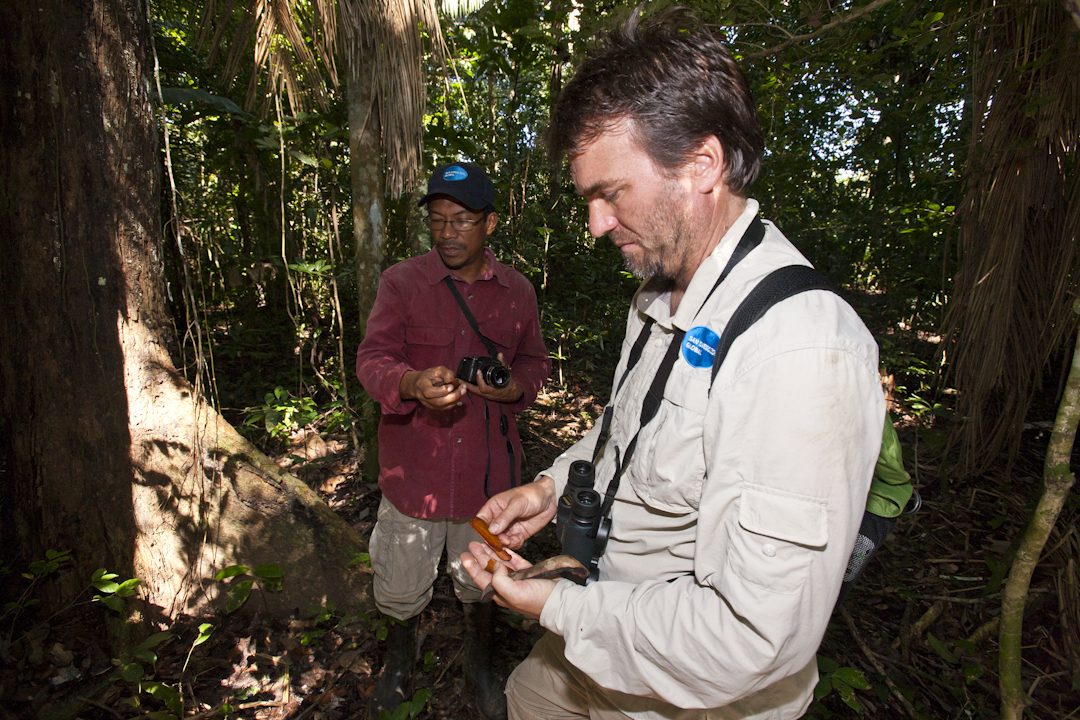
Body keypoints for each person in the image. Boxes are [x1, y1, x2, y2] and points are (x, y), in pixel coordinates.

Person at [461, 9, 885, 720]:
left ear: (702, 165)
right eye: (588, 198)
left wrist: (560, 607)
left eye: (611, 193)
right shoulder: (660, 294)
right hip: (603, 639)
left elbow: (749, 639)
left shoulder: (798, 353)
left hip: (697, 694)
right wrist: (547, 489)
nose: (596, 224)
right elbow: (630, 428)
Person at [356, 161, 551, 720]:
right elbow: (372, 360)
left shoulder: (517, 291)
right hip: (413, 474)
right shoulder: (403, 282)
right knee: (399, 580)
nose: (447, 232)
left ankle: (479, 664)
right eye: (438, 220)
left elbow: (534, 363)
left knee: (483, 583)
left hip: (488, 478)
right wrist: (411, 383)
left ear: (489, 223)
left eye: (461, 220)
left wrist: (514, 387)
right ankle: (399, 662)